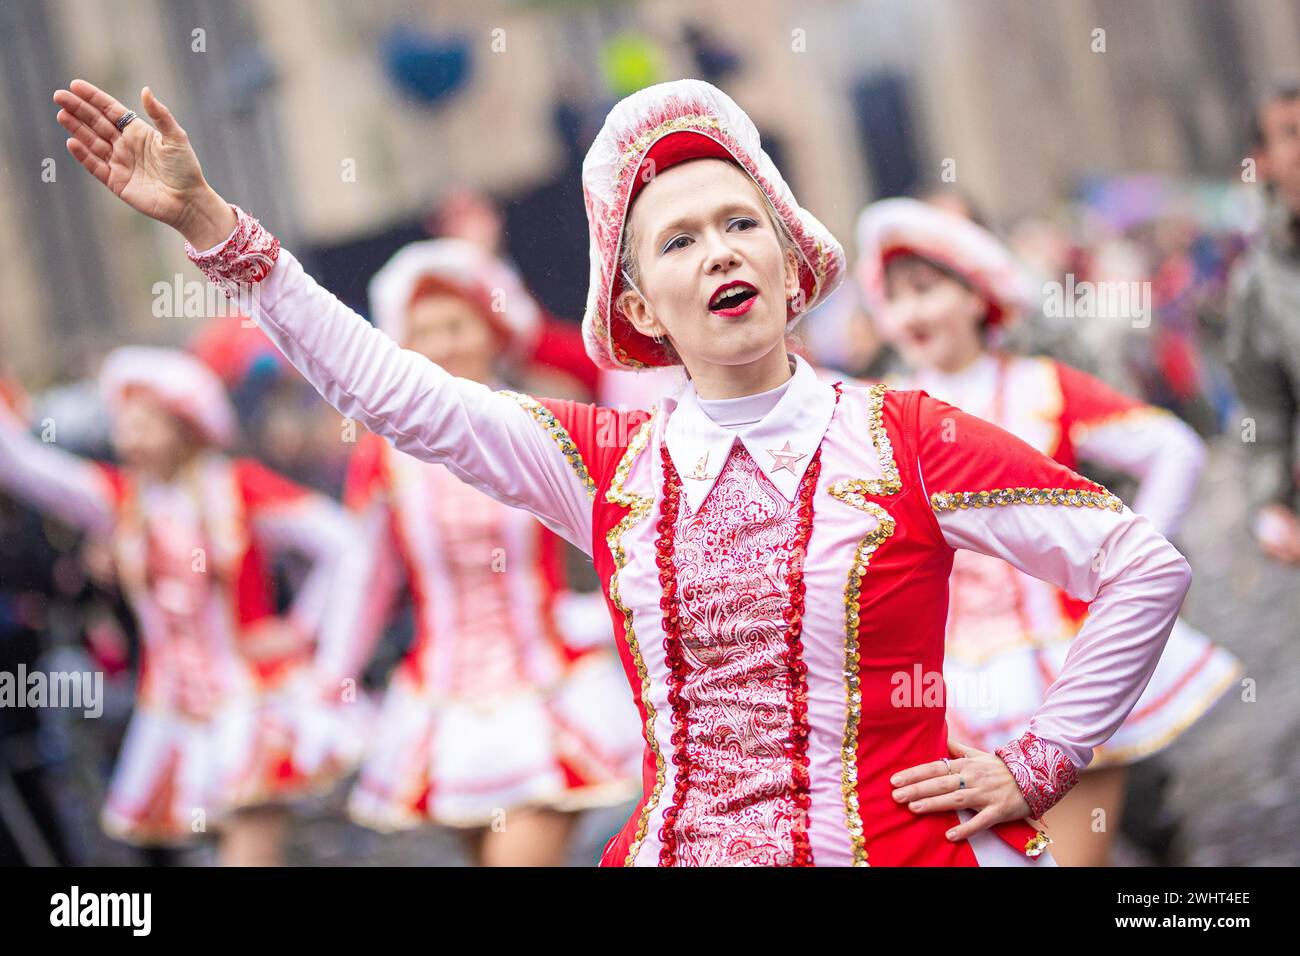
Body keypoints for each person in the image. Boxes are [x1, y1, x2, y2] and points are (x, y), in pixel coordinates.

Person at [55, 76, 1194, 867]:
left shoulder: (910, 433)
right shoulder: (606, 463)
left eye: (741, 223)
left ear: (793, 270)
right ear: (640, 306)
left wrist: (1045, 754)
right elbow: (384, 387)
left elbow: (1141, 565)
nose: (720, 251)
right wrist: (216, 228)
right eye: (681, 239)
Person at [855, 196, 1243, 865]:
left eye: (927, 289)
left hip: (1059, 673)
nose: (910, 313)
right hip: (940, 696)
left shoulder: (1042, 386)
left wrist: (1121, 567)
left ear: (979, 297)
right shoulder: (873, 415)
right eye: (893, 297)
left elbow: (1174, 449)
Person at [319, 238, 642, 865]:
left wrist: (608, 619)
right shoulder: (382, 455)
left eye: (456, 325)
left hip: (546, 694)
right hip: (442, 711)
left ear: (492, 333)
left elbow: (620, 531)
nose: (443, 345)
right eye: (424, 332)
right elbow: (365, 575)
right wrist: (333, 676)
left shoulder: (535, 423)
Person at [0, 347, 364, 865]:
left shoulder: (237, 487)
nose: (132, 437)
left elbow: (343, 542)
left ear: (187, 426)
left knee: (247, 844)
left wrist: (304, 629)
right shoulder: (123, 500)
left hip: (253, 702)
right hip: (173, 715)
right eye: (125, 424)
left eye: (147, 423)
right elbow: (25, 467)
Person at [1225, 80, 1300, 565]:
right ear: (1264, 159)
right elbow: (1263, 412)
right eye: (1291, 132)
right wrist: (1271, 504)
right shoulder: (1258, 284)